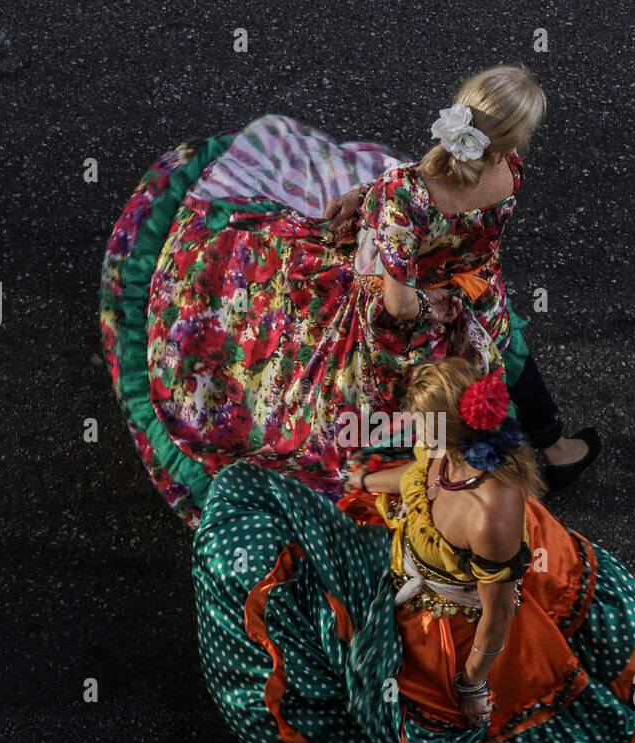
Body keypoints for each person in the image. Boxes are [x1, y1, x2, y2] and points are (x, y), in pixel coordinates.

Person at [190, 358, 635, 743]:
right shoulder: (446, 457)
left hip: (455, 626)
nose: (413, 429)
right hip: (420, 576)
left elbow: (496, 618)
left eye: (423, 422)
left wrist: (471, 686)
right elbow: (419, 477)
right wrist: (362, 483)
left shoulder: (492, 515)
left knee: (446, 708)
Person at [100, 65, 598, 528]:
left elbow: (399, 303)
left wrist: (428, 298)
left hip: (412, 319)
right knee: (502, 359)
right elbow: (446, 199)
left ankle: (400, 489)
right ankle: (553, 449)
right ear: (510, 141)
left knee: (297, 341)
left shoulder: (408, 194)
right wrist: (377, 199)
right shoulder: (509, 171)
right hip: (477, 296)